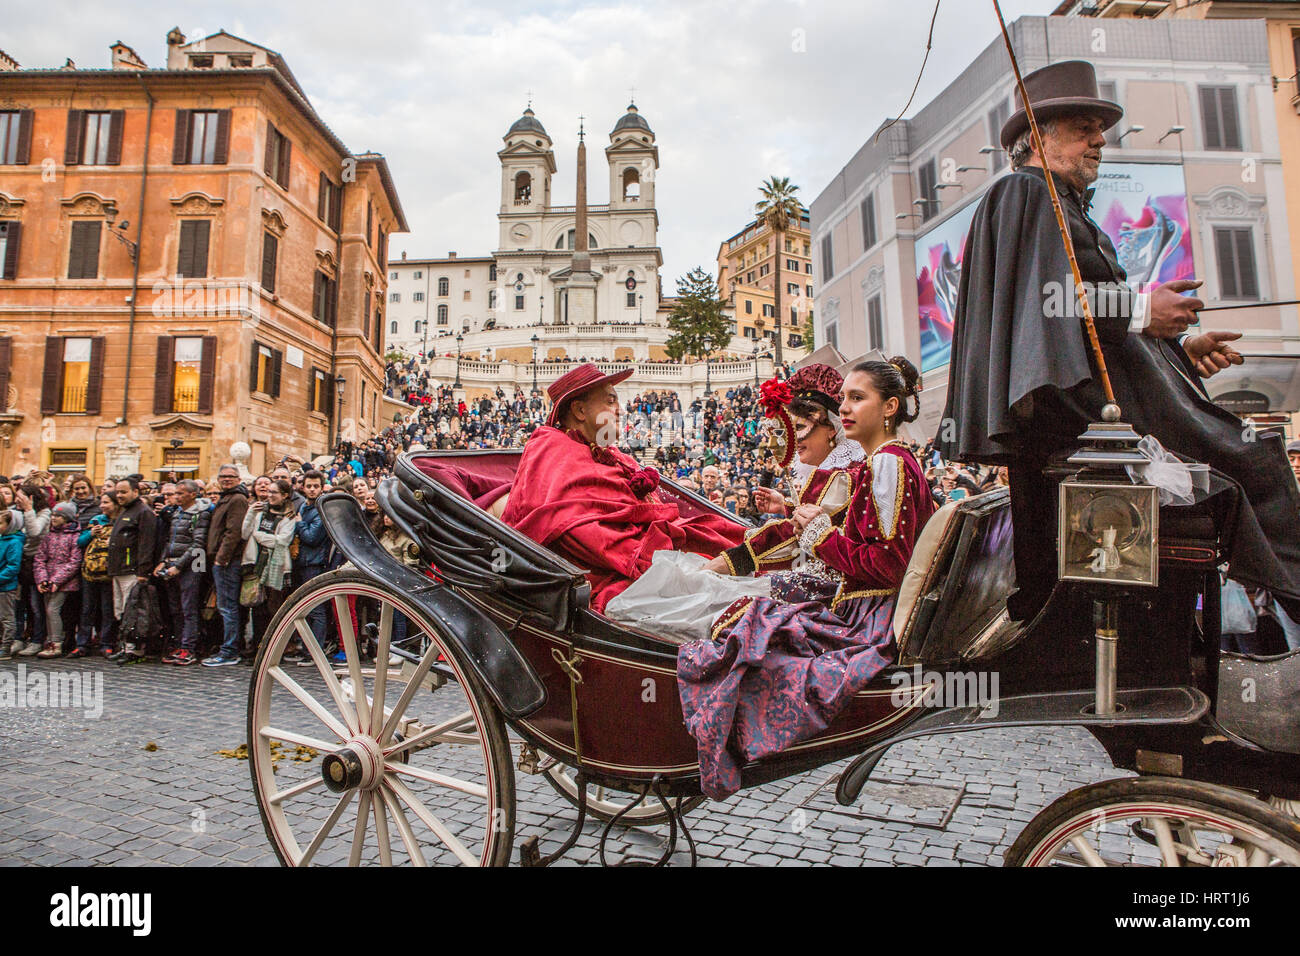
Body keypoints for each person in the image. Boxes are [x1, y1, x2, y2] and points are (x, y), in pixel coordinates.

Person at [937, 59, 1300, 623]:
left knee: (1251, 456)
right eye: (1083, 127)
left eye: (1098, 128)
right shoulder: (1024, 194)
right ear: (1038, 138)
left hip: (1092, 417)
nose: (1100, 140)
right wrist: (1141, 310)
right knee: (1251, 458)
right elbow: (1048, 310)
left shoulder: (1056, 204)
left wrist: (1179, 349)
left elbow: (1081, 326)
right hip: (1080, 421)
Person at [679, 358, 936, 799]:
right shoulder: (888, 460)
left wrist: (819, 533)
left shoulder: (885, 463)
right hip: (862, 602)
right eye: (844, 400)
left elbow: (888, 564)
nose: (846, 409)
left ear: (890, 406)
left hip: (867, 615)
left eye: (858, 398)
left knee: (746, 627)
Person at [502, 363, 745, 612]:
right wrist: (684, 568)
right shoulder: (555, 452)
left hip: (640, 559)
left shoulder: (606, 452)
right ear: (579, 409)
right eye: (610, 402)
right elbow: (584, 532)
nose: (620, 410)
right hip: (600, 578)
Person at [704, 364, 866, 609]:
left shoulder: (839, 475)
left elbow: (795, 534)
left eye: (799, 428)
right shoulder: (838, 471)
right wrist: (786, 506)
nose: (794, 439)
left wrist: (733, 561)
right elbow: (822, 519)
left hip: (837, 596)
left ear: (831, 431)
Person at [155, 479, 211, 666]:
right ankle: (179, 644)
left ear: (193, 494)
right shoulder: (177, 512)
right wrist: (163, 561)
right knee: (176, 609)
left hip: (192, 566)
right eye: (175, 493)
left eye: (180, 493)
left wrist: (179, 565)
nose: (176, 497)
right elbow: (169, 540)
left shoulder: (200, 514)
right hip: (171, 564)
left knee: (189, 608)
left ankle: (189, 647)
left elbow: (198, 544)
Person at [241, 478, 300, 654]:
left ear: (284, 495)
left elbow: (282, 541)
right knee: (257, 609)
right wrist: (250, 513)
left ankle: (273, 649)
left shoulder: (289, 516)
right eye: (268, 492)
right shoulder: (259, 512)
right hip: (256, 564)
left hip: (277, 568)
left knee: (273, 609)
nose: (269, 496)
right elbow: (245, 533)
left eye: (274, 492)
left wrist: (258, 535)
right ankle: (257, 647)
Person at [105, 476, 159, 663]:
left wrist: (143, 571)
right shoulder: (125, 511)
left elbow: (147, 544)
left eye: (123, 492)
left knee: (133, 611)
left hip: (132, 570)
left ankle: (136, 649)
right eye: (117, 492)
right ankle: (126, 645)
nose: (119, 495)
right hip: (118, 569)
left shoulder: (143, 512)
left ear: (135, 492)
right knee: (121, 610)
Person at [203, 464, 250, 667]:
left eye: (231, 476)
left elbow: (233, 532)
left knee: (227, 606)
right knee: (227, 606)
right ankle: (230, 646)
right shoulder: (227, 497)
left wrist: (221, 558)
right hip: (223, 560)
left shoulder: (237, 499)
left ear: (238, 479)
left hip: (228, 562)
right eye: (223, 476)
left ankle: (230, 650)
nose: (226, 479)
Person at [34, 501, 83, 658]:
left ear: (67, 518)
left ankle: (56, 643)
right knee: (47, 610)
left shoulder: (75, 537)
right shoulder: (49, 536)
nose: (54, 518)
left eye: (58, 515)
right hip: (48, 580)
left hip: (65, 582)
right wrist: (42, 579)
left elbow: (74, 562)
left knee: (53, 610)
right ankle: (50, 640)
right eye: (53, 514)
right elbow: (40, 558)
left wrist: (57, 580)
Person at [292, 470, 331, 659]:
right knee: (305, 609)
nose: (312, 489)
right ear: (303, 487)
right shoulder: (304, 507)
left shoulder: (319, 510)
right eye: (309, 486)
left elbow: (312, 538)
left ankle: (315, 652)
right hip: (303, 561)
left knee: (316, 609)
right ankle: (306, 648)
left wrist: (299, 524)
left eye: (316, 486)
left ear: (321, 487)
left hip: (314, 563)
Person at [73, 493, 117, 658]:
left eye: (106, 503)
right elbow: (80, 542)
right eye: (102, 503)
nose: (103, 506)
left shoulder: (121, 520)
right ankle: (82, 643)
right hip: (90, 570)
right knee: (87, 609)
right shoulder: (96, 520)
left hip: (108, 572)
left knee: (107, 609)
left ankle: (106, 643)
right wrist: (91, 533)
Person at [0, 510, 24, 660]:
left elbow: (13, 566)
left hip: (5, 586)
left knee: (7, 617)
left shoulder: (14, 542)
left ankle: (6, 646)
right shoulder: (2, 539)